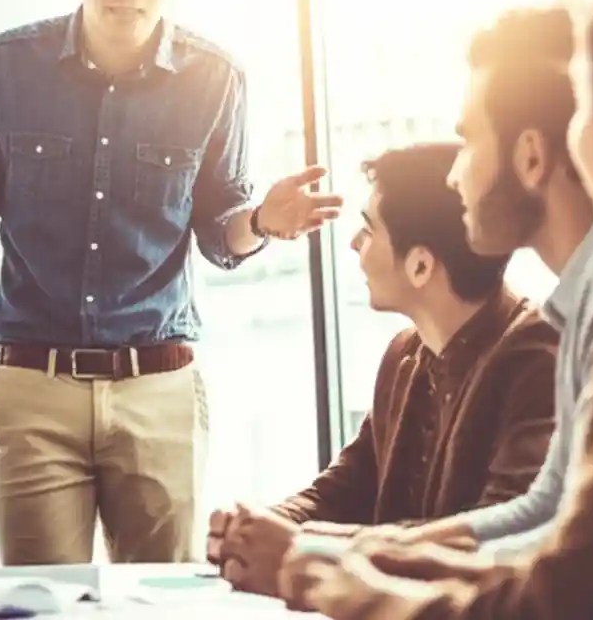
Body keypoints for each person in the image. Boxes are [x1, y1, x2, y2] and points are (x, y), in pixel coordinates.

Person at [0, 0, 342, 565]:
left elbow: (218, 232)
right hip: (33, 391)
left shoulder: (216, 79)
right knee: (38, 605)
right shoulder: (7, 65)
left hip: (159, 389)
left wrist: (262, 222)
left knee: (157, 608)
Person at [281, 0, 593, 619]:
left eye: (587, 110)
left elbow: (570, 591)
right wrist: (388, 557)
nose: (573, 132)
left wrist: (373, 597)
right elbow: (556, 519)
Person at [354, 5, 593, 557]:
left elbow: (574, 554)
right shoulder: (584, 298)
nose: (453, 173)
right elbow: (542, 508)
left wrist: (363, 577)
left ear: (531, 157)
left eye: (468, 141)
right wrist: (347, 556)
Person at [207, 143, 557, 596]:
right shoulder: (404, 354)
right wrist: (258, 529)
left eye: (368, 230)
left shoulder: (535, 360)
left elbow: (491, 540)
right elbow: (345, 488)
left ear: (421, 265)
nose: (353, 243)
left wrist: (305, 547)